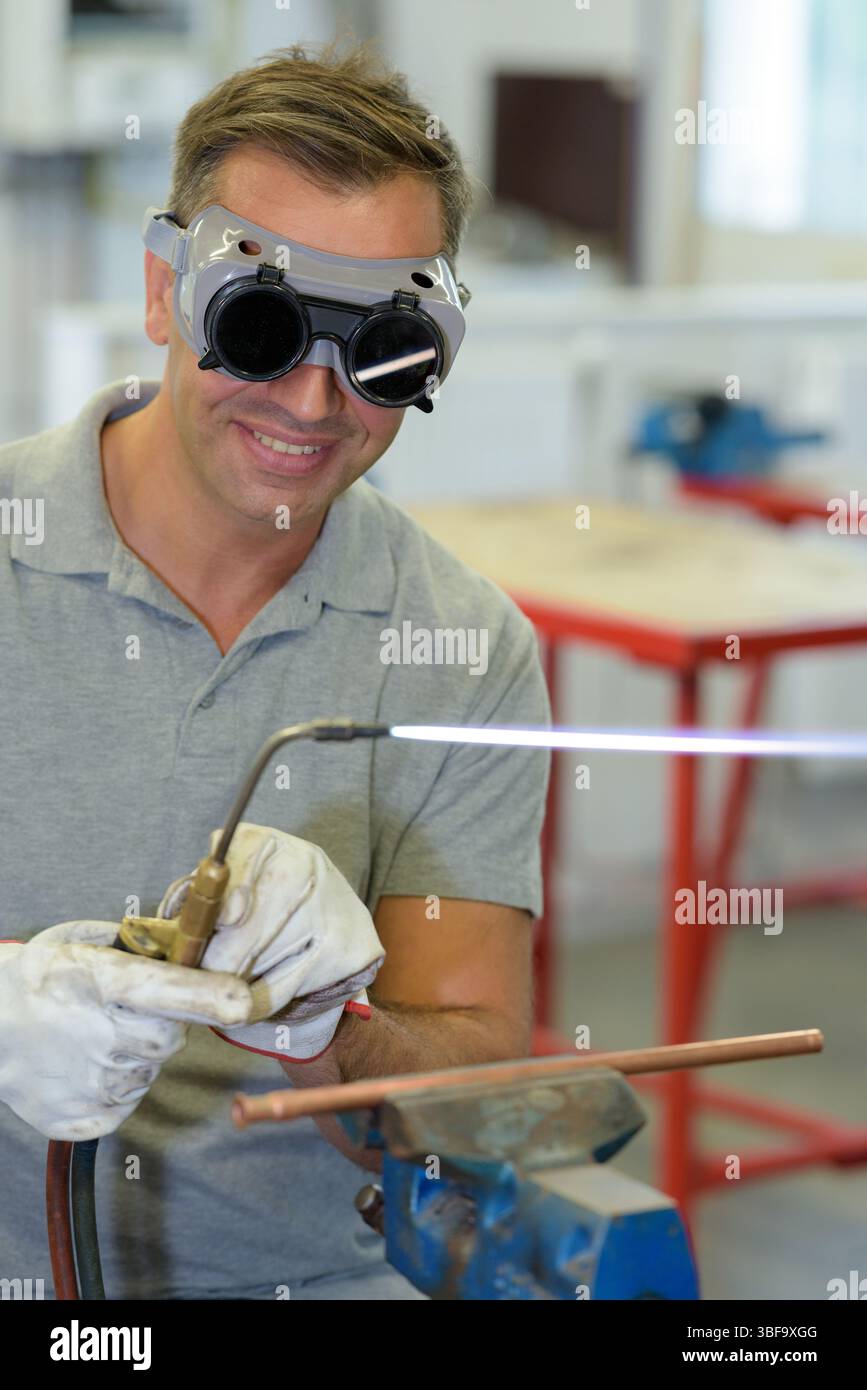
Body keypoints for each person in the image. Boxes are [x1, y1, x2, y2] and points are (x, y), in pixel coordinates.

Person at [0, 41, 550, 1301]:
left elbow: (463, 1104)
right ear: (163, 291)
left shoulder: (460, 647)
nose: (312, 400)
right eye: (262, 326)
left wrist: (330, 1025)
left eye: (381, 353)